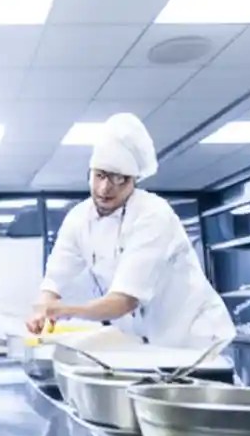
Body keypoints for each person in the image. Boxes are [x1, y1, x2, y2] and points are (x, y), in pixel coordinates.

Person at [25, 113, 234, 348]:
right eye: (100, 176)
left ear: (134, 181)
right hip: (146, 344)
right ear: (90, 173)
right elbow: (55, 279)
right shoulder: (78, 218)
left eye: (118, 179)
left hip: (195, 340)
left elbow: (124, 301)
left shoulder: (153, 215)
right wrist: (43, 309)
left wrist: (65, 311)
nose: (105, 188)